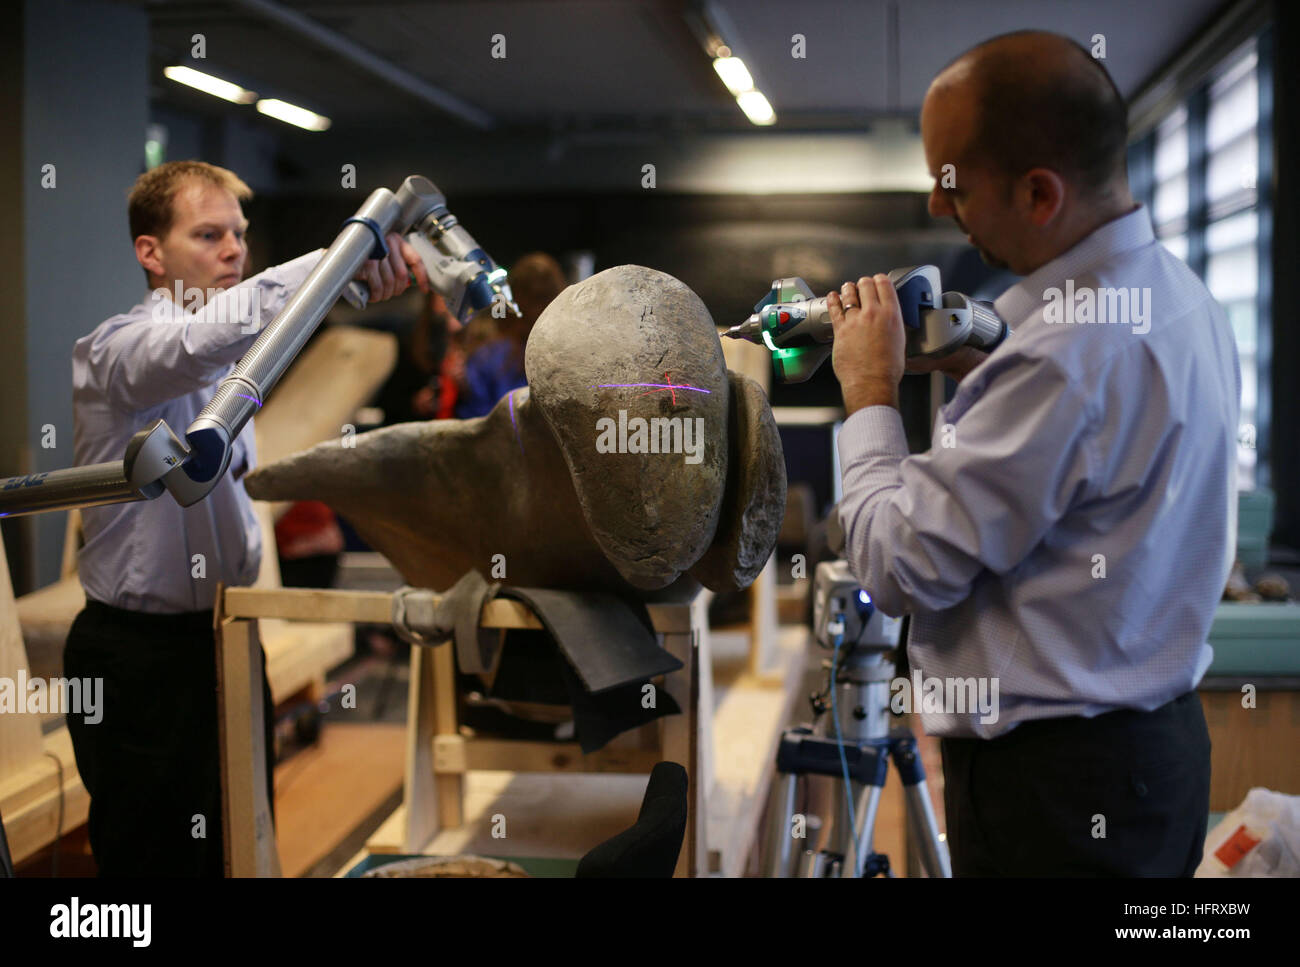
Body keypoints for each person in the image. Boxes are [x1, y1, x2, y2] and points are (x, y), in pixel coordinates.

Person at [826, 31, 1238, 876]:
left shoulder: (1062, 361)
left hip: (1057, 795)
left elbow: (897, 567)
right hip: (1149, 757)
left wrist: (870, 393)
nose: (939, 207)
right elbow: (1087, 448)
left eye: (955, 185)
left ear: (1040, 193)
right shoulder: (1180, 296)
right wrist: (991, 372)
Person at [66, 160, 427, 876]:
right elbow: (194, 344)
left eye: (239, 233)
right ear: (151, 252)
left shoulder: (242, 358)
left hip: (227, 640)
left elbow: (227, 337)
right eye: (208, 235)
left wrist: (344, 276)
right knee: (149, 862)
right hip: (140, 657)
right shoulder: (116, 351)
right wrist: (342, 259)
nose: (235, 250)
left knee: (238, 839)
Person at [455, 252, 567, 418]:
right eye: (537, 299)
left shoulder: (487, 356)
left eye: (542, 298)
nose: (538, 310)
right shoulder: (490, 357)